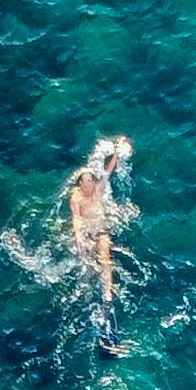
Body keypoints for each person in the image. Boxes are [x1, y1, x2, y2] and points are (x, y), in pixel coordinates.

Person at [60, 133, 136, 352]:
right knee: (86, 270)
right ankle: (89, 305)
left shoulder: (100, 187)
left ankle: (107, 295)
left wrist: (117, 150)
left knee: (105, 256)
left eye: (89, 182)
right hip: (87, 233)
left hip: (101, 232)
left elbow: (110, 167)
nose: (87, 186)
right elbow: (75, 218)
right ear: (80, 184)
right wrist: (79, 237)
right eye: (83, 183)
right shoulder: (76, 197)